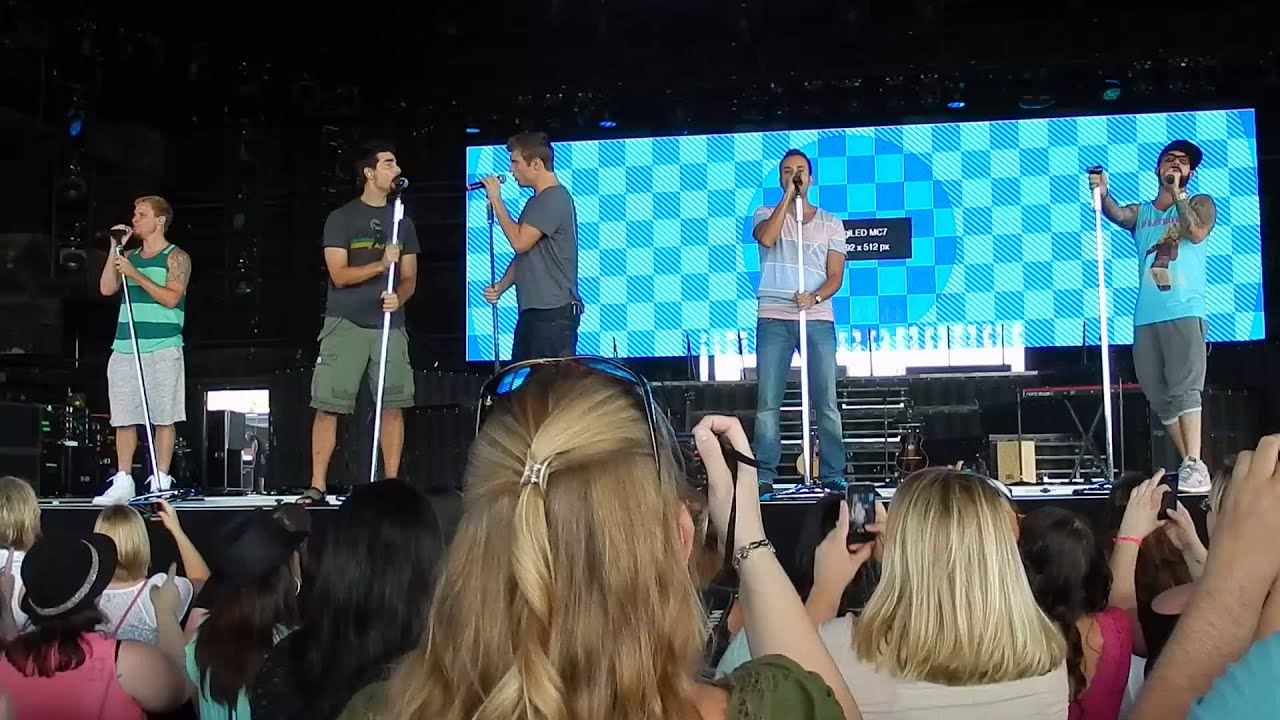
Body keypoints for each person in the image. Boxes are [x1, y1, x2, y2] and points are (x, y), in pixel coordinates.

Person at [1090, 140, 1218, 489]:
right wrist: (1102, 192)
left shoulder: (1199, 203)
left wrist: (1178, 196)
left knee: (1185, 386)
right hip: (1146, 314)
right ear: (1158, 169)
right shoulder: (1143, 213)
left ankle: (1193, 460)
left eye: (1183, 162)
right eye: (1169, 160)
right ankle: (1194, 464)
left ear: (1190, 172)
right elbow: (1115, 213)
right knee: (1157, 392)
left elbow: (1195, 231)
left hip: (1184, 309)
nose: (1175, 165)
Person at [306, 141, 420, 502]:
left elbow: (410, 277)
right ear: (369, 172)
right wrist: (380, 264)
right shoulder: (341, 218)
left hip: (389, 324)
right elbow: (339, 275)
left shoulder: (403, 221)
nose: (396, 169)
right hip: (346, 323)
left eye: (396, 163)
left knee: (393, 404)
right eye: (389, 163)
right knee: (329, 405)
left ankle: (390, 485)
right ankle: (317, 484)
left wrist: (397, 296)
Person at [751, 149, 847, 493]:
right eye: (788, 171)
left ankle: (834, 473)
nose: (796, 175)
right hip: (774, 317)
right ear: (781, 179)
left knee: (826, 401)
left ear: (812, 178)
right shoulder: (765, 212)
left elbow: (835, 275)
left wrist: (815, 297)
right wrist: (787, 198)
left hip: (817, 318)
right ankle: (764, 475)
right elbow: (766, 238)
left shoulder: (831, 223)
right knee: (768, 403)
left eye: (801, 171)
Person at [94, 195, 192, 505]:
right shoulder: (128, 255)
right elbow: (107, 288)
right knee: (124, 416)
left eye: (142, 214)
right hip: (126, 345)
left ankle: (160, 477)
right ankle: (124, 479)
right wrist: (115, 247)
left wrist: (135, 274)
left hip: (163, 346)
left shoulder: (176, 257)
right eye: (134, 214)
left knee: (164, 414)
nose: (134, 219)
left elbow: (172, 298)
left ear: (160, 220)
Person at [480, 131, 582, 362]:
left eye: (515, 162)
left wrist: (496, 200)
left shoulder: (554, 198)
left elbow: (519, 242)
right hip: (537, 314)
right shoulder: (537, 200)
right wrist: (502, 286)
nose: (511, 169)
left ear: (536, 164)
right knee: (527, 388)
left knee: (547, 389)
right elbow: (527, 253)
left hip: (552, 314)